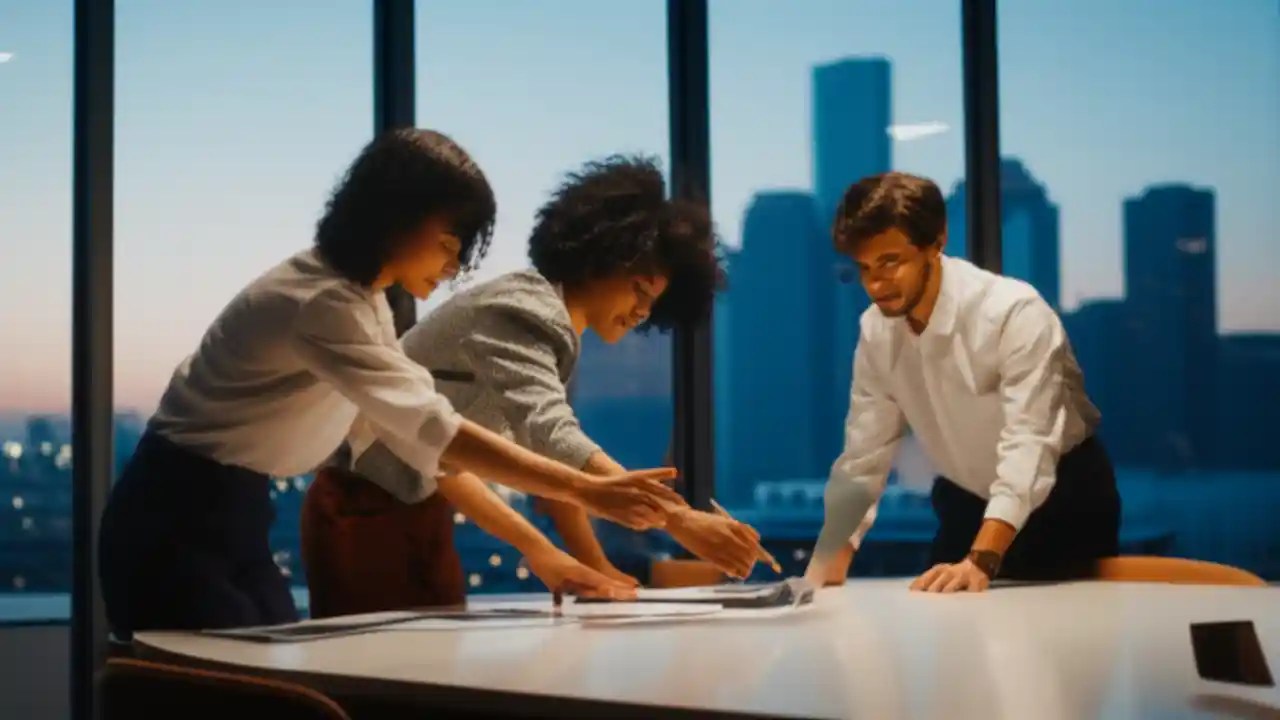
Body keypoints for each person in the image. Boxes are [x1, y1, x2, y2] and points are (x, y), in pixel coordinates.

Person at [98, 130, 681, 636]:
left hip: (237, 512)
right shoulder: (322, 303)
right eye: (450, 243)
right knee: (225, 690)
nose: (453, 266)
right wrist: (587, 490)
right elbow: (434, 431)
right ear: (393, 213)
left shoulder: (365, 304)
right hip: (174, 514)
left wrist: (542, 549)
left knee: (259, 681)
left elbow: (420, 442)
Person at [302, 155, 765, 617]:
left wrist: (586, 561)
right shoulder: (529, 311)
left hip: (419, 507)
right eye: (639, 291)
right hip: (358, 510)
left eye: (652, 306)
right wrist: (678, 519)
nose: (641, 313)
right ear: (600, 254)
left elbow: (456, 461)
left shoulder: (552, 324)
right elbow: (550, 434)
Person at [803, 172, 1120, 593]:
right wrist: (826, 566)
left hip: (1062, 499)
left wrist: (982, 559)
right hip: (967, 498)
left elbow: (1030, 444)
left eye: (890, 263)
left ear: (936, 242)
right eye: (863, 268)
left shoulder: (1014, 312)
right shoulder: (877, 331)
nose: (875, 285)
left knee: (1061, 644)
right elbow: (864, 457)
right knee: (948, 624)